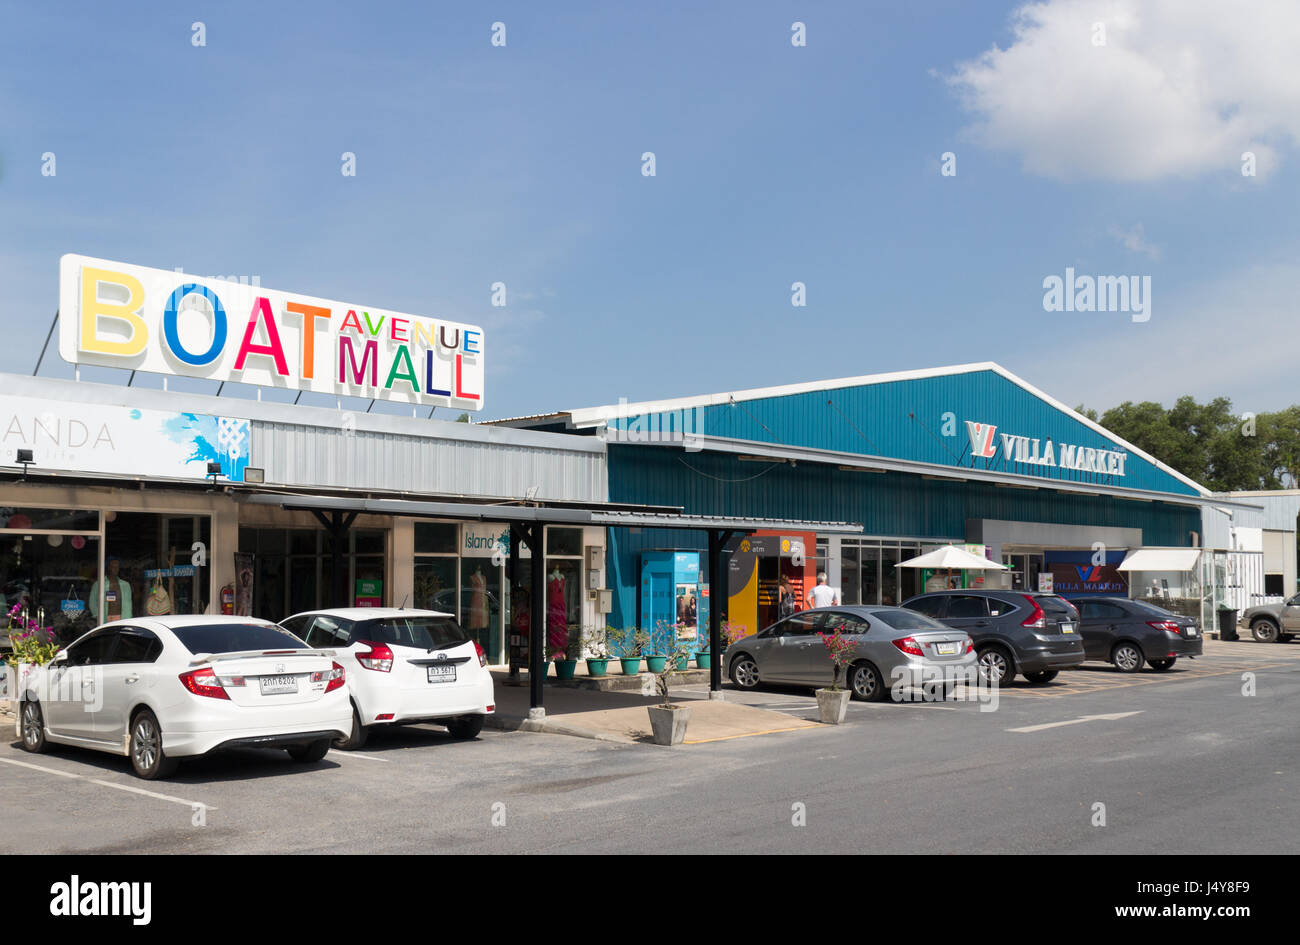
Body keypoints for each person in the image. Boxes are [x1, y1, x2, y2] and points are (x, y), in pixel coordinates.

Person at [89, 556, 132, 621]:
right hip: (105, 618)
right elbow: (92, 601)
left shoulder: (126, 585)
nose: (115, 569)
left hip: (123, 618)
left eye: (117, 567)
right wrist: (97, 615)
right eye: (113, 567)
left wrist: (129, 617)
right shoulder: (99, 584)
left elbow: (129, 603)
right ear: (108, 567)